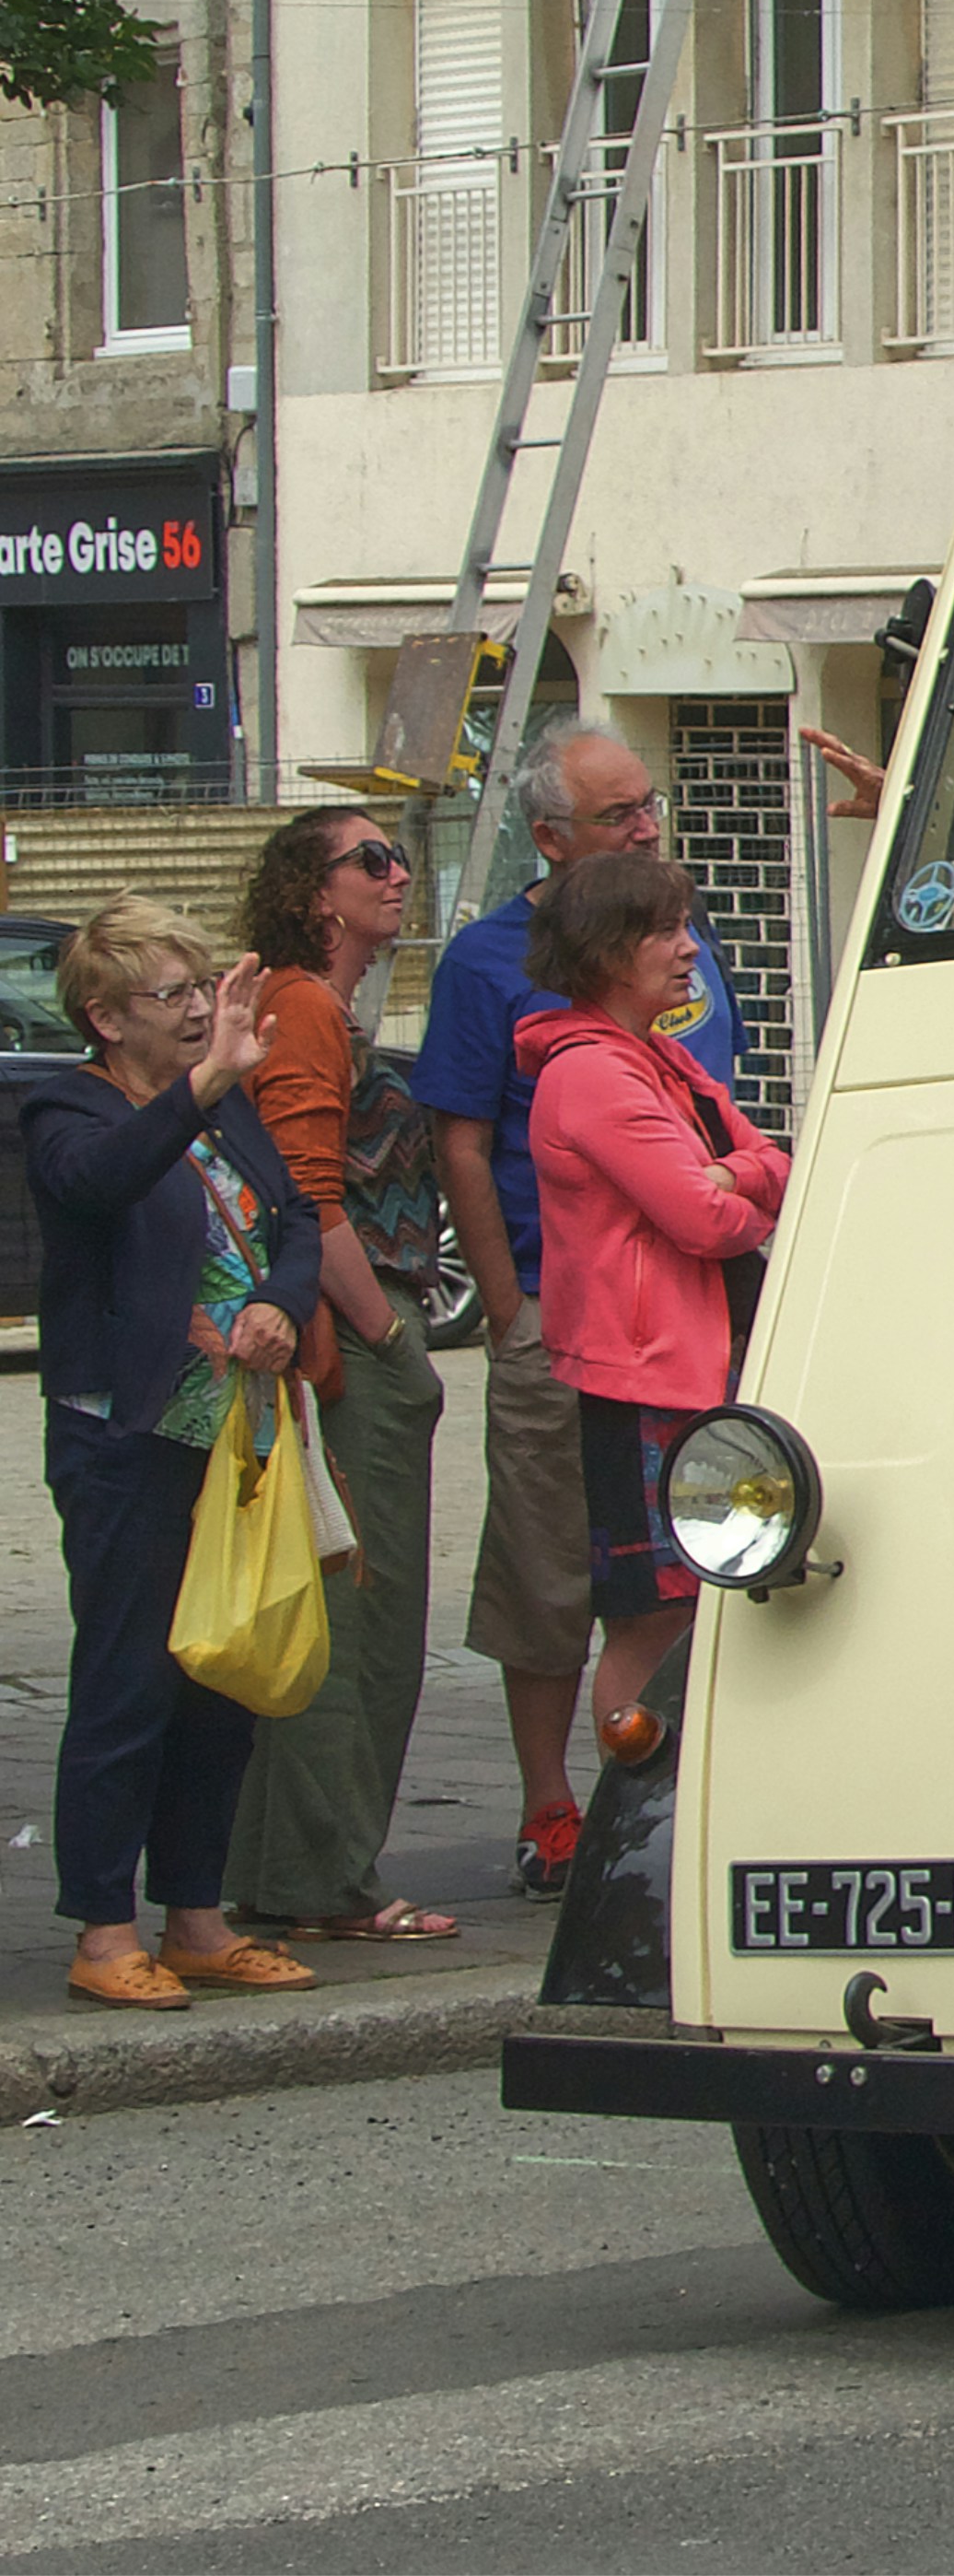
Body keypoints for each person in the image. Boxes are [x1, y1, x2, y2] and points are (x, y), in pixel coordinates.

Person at [412, 717, 745, 1898]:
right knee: (557, 1563)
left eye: (649, 802)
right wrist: (510, 1303)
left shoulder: (676, 938)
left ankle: (661, 1800)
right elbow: (459, 1136)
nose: (646, 823)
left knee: (674, 1566)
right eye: (618, 815)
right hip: (567, 1310)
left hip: (685, 1323)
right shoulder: (490, 963)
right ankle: (554, 1805)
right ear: (549, 835)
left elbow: (725, 1119)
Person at [23, 899, 324, 2008]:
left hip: (234, 1429)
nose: (201, 1008)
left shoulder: (226, 1101)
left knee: (220, 1676)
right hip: (128, 1431)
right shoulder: (67, 1106)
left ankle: (196, 1916)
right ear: (105, 1017)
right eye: (174, 994)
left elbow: (291, 1216)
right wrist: (202, 1088)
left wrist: (283, 1307)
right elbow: (94, 1182)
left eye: (205, 986)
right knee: (127, 1678)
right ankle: (104, 1928)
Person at [217, 810, 460, 1946]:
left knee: (330, 1606)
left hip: (336, 1342)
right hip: (351, 1345)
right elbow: (310, 1195)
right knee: (363, 1618)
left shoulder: (305, 1001)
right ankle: (328, 1877)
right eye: (371, 860)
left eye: (399, 856)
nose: (397, 874)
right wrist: (392, 1341)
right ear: (316, 893)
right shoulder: (307, 1003)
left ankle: (287, 1869)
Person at [518, 853, 787, 1742]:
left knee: (708, 1603)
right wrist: (730, 1185)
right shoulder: (593, 1073)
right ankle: (636, 1812)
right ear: (605, 951)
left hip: (697, 1370)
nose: (689, 951)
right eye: (666, 933)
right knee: (653, 1617)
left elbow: (780, 1166)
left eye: (688, 928)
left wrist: (729, 1172)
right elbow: (703, 1221)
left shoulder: (662, 1059)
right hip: (647, 1383)